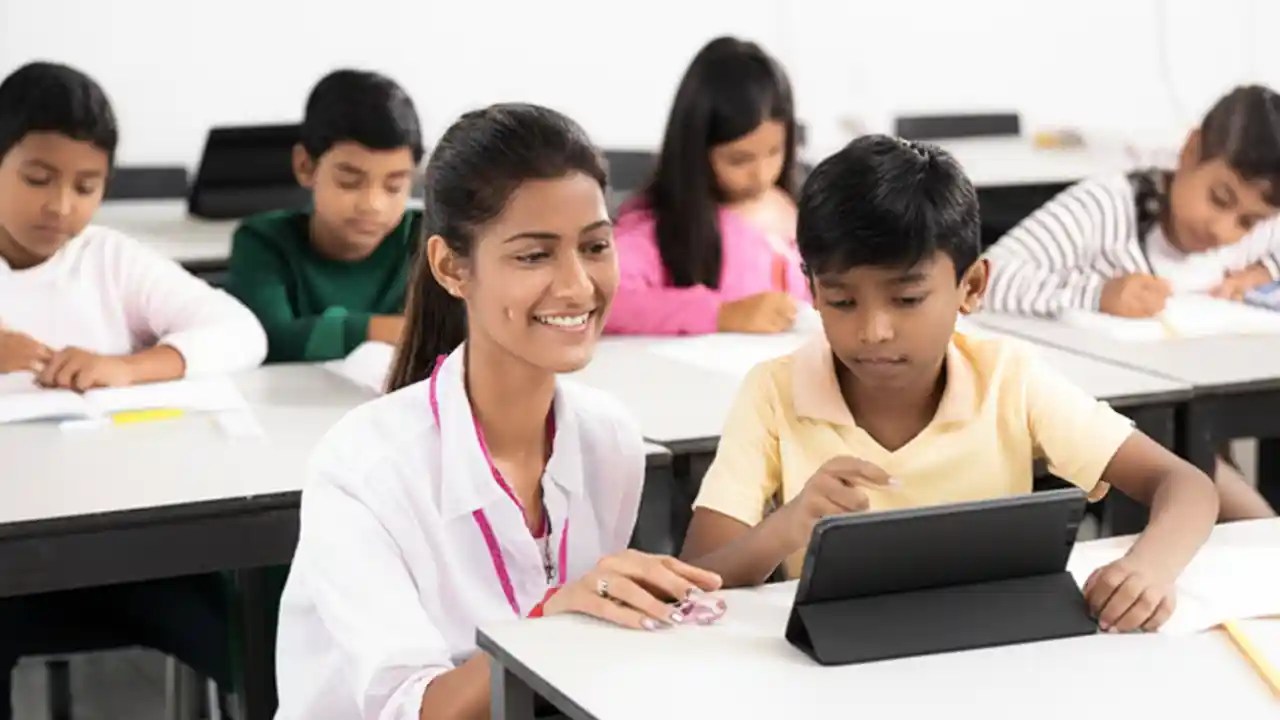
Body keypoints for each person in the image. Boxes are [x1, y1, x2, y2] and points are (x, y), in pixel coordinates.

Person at [274, 103, 723, 720]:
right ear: (451, 267)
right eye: (534, 256)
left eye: (595, 246)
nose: (577, 286)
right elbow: (413, 710)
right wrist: (552, 622)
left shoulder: (609, 439)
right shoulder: (362, 470)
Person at [681, 136, 1219, 634]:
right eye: (842, 300)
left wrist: (1148, 568)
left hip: (987, 655)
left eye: (908, 299)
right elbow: (695, 574)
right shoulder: (774, 392)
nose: (873, 331)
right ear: (812, 291)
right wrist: (787, 526)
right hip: (837, 672)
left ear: (972, 286)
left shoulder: (1009, 378)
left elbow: (1186, 486)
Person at [0, 61, 261, 717]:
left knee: (253, 644)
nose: (62, 205)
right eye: (37, 178)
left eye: (87, 186)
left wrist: (128, 367)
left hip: (125, 542)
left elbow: (241, 332)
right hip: (9, 558)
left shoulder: (108, 257)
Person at [984, 85, 1280, 519]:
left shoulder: (1252, 236)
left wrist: (1263, 272)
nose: (1224, 229)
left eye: (1248, 221)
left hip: (1198, 419)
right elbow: (987, 277)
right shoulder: (1107, 207)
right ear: (1190, 150)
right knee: (1211, 486)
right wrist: (1098, 294)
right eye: (1219, 198)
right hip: (1111, 426)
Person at [606, 36, 809, 336]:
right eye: (739, 160)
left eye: (774, 152)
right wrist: (721, 314)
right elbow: (606, 299)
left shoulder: (796, 216)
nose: (761, 174)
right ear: (696, 151)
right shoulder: (660, 230)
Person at [226, 69, 424, 362]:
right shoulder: (263, 242)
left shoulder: (427, 240)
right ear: (306, 166)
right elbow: (268, 336)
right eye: (349, 182)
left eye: (394, 186)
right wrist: (395, 330)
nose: (373, 204)